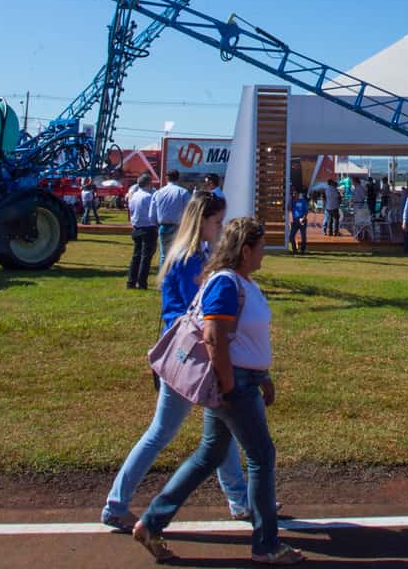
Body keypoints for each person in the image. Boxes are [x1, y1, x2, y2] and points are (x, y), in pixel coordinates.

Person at [133, 218, 303, 566]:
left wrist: (264, 375)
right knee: (261, 456)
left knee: (209, 455)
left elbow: (246, 337)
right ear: (245, 250)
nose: (264, 254)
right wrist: (228, 385)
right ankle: (266, 545)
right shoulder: (226, 284)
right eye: (260, 247)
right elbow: (213, 338)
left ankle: (151, 522)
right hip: (234, 384)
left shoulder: (241, 281)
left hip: (242, 380)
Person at [103, 193, 255, 530]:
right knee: (165, 432)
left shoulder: (193, 254)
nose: (219, 228)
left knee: (218, 431)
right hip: (189, 356)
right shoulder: (190, 259)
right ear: (202, 220)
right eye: (216, 222)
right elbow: (196, 313)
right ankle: (116, 504)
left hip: (190, 354)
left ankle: (240, 500)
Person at [151, 170, 193, 268]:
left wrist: (157, 224)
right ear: (178, 178)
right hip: (179, 227)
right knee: (178, 255)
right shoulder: (183, 192)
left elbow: (151, 215)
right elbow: (189, 211)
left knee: (164, 256)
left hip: (163, 227)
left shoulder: (158, 193)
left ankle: (163, 279)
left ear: (166, 178)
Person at [126, 175, 159, 289]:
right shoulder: (149, 197)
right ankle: (141, 282)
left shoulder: (134, 196)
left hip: (137, 227)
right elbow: (154, 213)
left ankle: (131, 281)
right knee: (146, 257)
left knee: (136, 256)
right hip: (148, 228)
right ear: (148, 183)